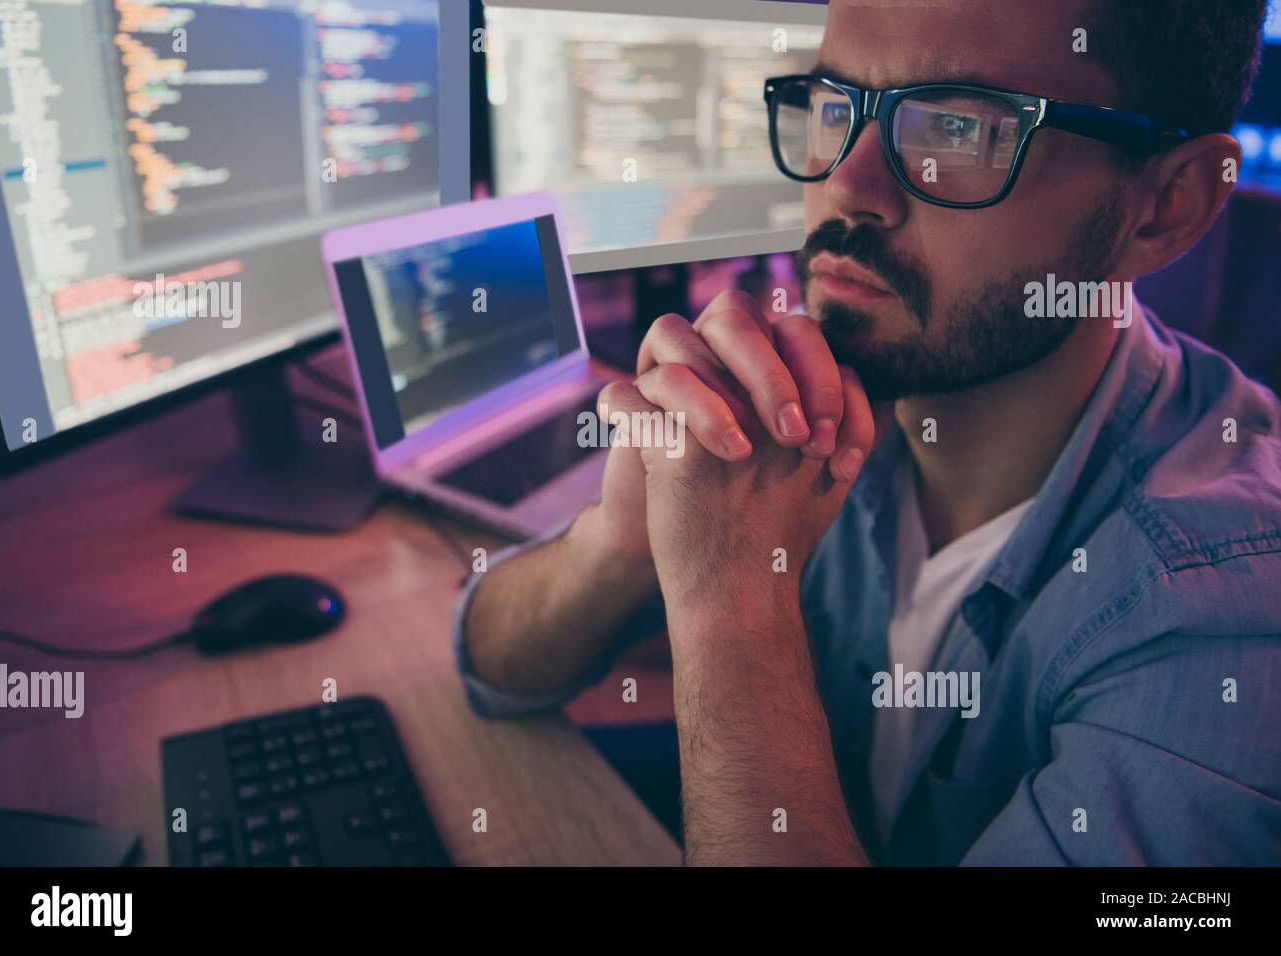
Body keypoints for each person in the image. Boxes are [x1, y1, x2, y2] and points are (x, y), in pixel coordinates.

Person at [453, 0, 1281, 865]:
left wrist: (730, 598)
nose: (848, 185)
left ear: (1167, 206)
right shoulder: (805, 414)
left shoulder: (1230, 620)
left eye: (958, 128)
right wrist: (622, 542)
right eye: (833, 104)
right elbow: (492, 668)